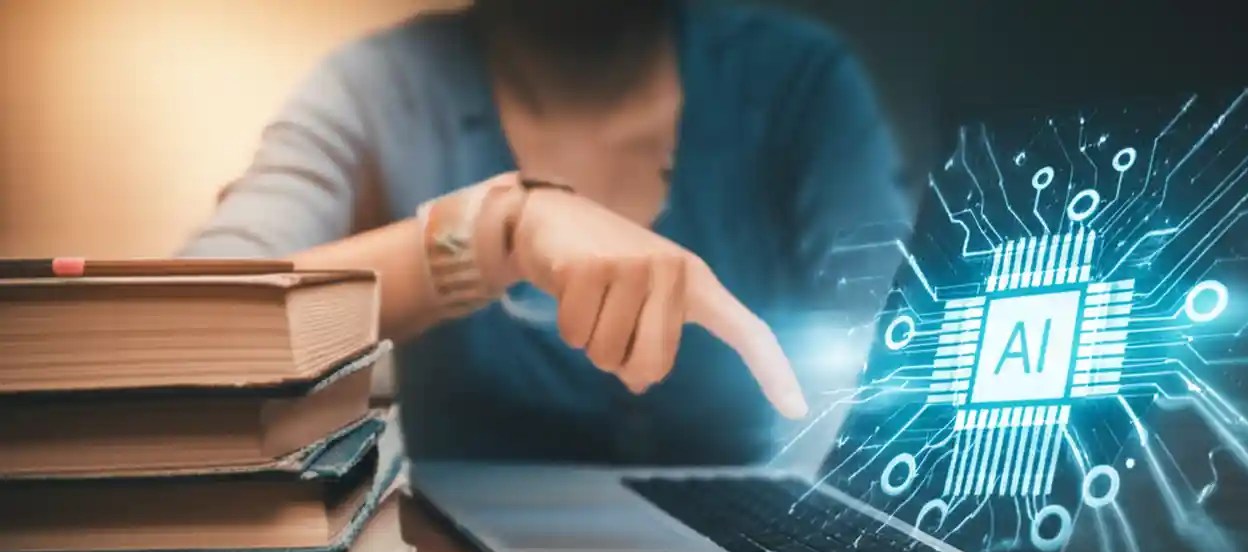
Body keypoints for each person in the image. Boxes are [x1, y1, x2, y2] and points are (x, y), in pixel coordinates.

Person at [181, 0, 909, 465]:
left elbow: (906, 347)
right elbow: (189, 335)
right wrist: (496, 232)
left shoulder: (798, 81)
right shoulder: (378, 90)